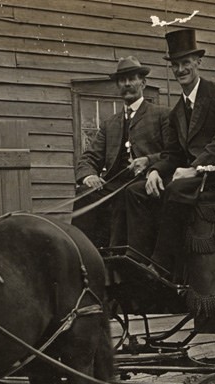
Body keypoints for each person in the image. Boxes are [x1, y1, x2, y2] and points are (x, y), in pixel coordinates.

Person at [126, 28, 215, 277]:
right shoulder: (177, 111)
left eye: (186, 63)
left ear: (198, 62)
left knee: (176, 188)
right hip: (194, 176)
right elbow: (174, 154)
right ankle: (135, 262)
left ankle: (162, 265)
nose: (180, 70)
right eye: (175, 65)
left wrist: (195, 167)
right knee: (136, 191)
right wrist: (156, 170)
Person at [73, 57, 172, 250]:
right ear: (118, 85)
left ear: (143, 82)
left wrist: (149, 161)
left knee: (127, 194)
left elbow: (173, 153)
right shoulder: (110, 124)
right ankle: (84, 256)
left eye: (132, 79)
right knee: (85, 193)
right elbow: (89, 157)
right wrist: (89, 175)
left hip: (147, 181)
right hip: (115, 183)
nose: (127, 84)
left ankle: (125, 257)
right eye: (122, 80)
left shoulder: (162, 115)